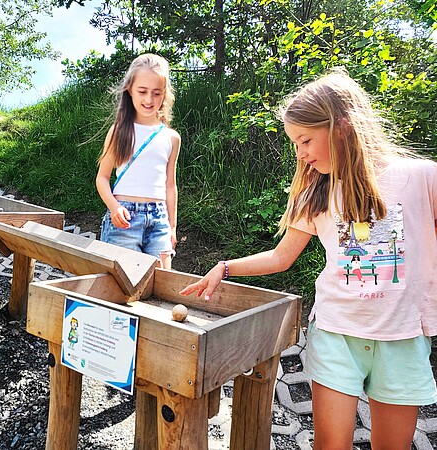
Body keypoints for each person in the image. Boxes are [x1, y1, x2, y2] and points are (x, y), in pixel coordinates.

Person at [180, 69, 437, 449]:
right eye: (294, 144)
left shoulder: (422, 176)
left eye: (305, 140)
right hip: (336, 332)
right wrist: (226, 267)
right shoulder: (316, 193)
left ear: (342, 127)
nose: (300, 154)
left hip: (402, 337)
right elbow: (282, 256)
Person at [96, 53, 181, 269]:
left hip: (159, 220)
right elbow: (102, 178)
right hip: (124, 219)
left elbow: (170, 186)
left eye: (156, 93)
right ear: (130, 90)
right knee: (123, 286)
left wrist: (172, 227)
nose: (149, 100)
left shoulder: (171, 138)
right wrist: (114, 207)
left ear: (165, 94)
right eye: (142, 92)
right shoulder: (119, 131)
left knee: (162, 284)